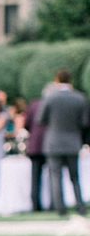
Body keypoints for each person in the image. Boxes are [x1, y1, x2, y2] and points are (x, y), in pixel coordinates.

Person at [39, 69, 89, 216]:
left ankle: (61, 209)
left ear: (56, 80)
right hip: (73, 141)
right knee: (75, 177)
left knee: (56, 177)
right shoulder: (80, 98)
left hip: (54, 142)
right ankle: (80, 207)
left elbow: (41, 119)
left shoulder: (50, 97)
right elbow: (85, 122)